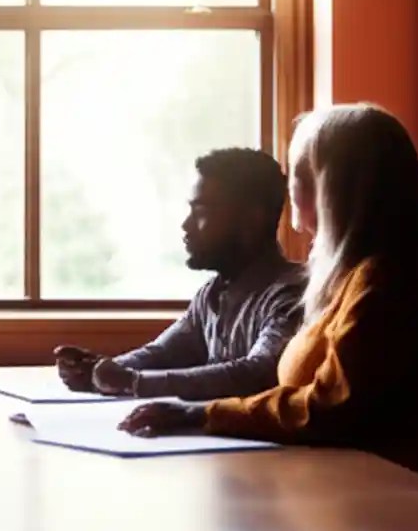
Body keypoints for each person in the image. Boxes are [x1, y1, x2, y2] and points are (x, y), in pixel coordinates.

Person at [118, 103, 418, 495]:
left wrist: (201, 415)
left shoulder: (387, 283)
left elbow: (328, 407)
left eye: (297, 172)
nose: (287, 188)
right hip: (369, 493)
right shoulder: (351, 277)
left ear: (331, 185)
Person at [54, 148, 305, 401]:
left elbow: (258, 374)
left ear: (252, 219)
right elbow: (162, 353)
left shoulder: (293, 295)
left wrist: (133, 382)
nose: (186, 225)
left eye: (201, 211)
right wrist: (98, 371)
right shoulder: (212, 294)